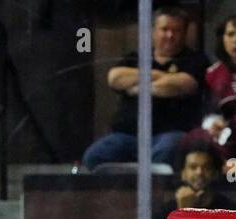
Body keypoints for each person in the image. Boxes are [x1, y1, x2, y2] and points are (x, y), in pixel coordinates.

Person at [83, 6, 208, 171]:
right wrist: (160, 75)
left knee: (166, 153)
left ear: (184, 33)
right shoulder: (136, 57)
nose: (170, 35)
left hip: (170, 134)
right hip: (127, 135)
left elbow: (184, 84)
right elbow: (115, 78)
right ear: (154, 31)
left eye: (176, 30)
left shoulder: (195, 60)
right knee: (94, 156)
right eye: (165, 29)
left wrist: (136, 88)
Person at [152, 143, 236, 219]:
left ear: (215, 173)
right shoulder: (165, 214)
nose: (199, 172)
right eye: (193, 167)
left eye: (206, 167)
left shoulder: (230, 211)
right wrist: (183, 212)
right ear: (183, 174)